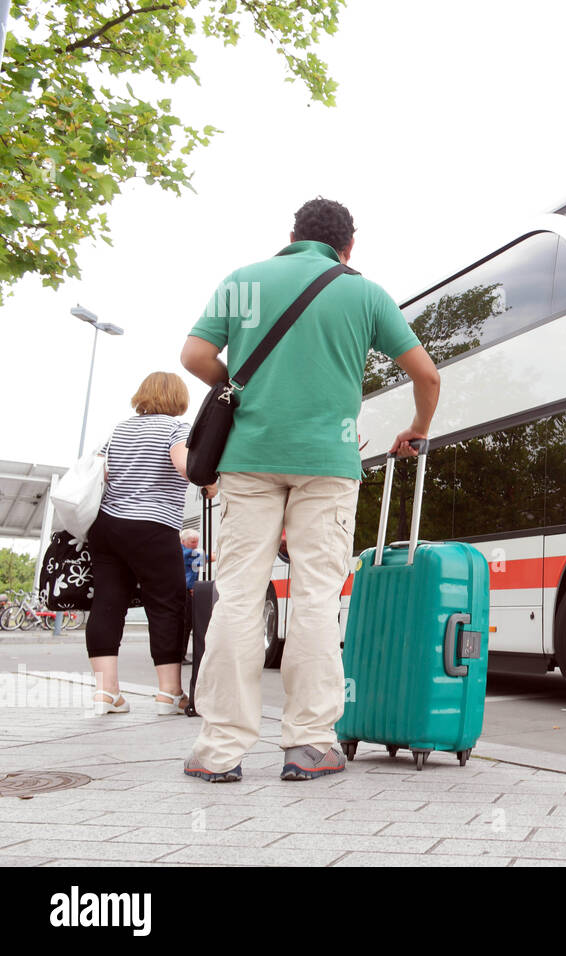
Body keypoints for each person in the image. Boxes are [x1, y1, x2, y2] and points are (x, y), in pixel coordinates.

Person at [180, 197, 440, 783]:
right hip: (328, 462)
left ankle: (218, 750)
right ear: (348, 247)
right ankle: (309, 745)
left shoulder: (244, 280)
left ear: (292, 235)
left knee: (240, 597)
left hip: (248, 462)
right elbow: (426, 374)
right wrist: (416, 429)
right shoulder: (364, 292)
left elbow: (194, 355)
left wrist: (240, 384)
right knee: (318, 598)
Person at [85, 372, 194, 717]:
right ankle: (169, 694)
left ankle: (106, 692)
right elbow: (184, 466)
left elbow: (98, 473)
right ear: (178, 399)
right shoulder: (176, 428)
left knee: (106, 603)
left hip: (106, 525)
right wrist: (208, 477)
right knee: (166, 604)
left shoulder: (120, 429)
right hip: (151, 527)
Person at [179, 529, 204, 665]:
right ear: (183, 542)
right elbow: (205, 557)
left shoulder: (190, 552)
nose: (195, 544)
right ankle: (180, 655)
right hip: (184, 591)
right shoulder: (185, 552)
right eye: (192, 542)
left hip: (189, 590)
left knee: (188, 623)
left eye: (197, 542)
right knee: (185, 623)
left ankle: (181, 654)